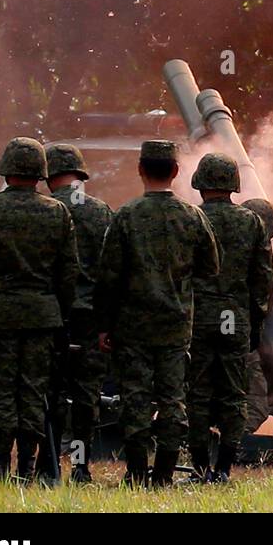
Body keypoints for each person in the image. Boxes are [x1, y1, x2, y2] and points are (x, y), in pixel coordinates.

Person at [95, 141, 218, 486]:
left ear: (140, 169)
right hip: (176, 326)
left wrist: (104, 326)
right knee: (172, 399)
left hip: (132, 326)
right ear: (177, 172)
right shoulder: (192, 216)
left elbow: (108, 276)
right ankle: (163, 475)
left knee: (134, 398)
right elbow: (211, 267)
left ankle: (135, 473)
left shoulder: (125, 215)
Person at [0, 138, 80, 481]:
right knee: (33, 392)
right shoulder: (58, 212)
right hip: (43, 318)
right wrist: (59, 310)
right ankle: (27, 468)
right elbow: (68, 272)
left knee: (0, 392)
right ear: (40, 173)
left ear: (6, 169)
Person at [186, 155, 273, 482]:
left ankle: (198, 468)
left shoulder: (190, 218)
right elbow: (262, 278)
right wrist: (255, 321)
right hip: (234, 318)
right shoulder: (252, 222)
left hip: (199, 318)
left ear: (201, 183)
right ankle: (223, 470)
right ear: (233, 185)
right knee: (234, 394)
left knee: (197, 393)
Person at [45, 143, 113, 483]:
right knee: (87, 396)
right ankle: (81, 466)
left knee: (50, 391)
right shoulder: (102, 213)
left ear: (49, 175)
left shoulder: (45, 210)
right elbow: (114, 269)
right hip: (92, 318)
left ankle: (49, 464)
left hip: (52, 315)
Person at [240, 197, 273, 437]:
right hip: (242, 339)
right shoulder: (262, 259)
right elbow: (264, 303)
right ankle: (228, 446)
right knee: (256, 403)